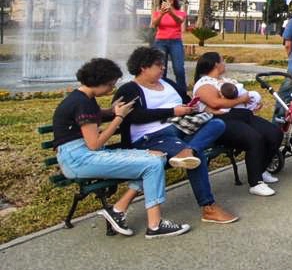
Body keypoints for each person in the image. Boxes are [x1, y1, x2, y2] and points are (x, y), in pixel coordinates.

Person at [53, 58, 190, 239]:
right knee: (153, 163)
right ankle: (155, 226)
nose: (112, 89)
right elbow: (95, 144)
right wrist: (118, 117)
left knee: (156, 156)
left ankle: (118, 210)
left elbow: (94, 115)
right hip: (79, 159)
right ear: (99, 82)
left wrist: (110, 111)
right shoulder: (82, 103)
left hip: (82, 154)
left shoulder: (84, 97)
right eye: (110, 85)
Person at [114, 47, 238, 224]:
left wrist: (191, 108)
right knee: (197, 156)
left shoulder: (167, 83)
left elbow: (187, 100)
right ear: (143, 67)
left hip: (181, 128)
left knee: (217, 124)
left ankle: (188, 150)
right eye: (158, 65)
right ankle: (208, 208)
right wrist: (172, 111)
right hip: (150, 137)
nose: (163, 68)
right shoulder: (129, 89)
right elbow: (133, 116)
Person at [192, 52, 283, 197]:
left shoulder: (224, 79)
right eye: (222, 60)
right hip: (222, 121)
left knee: (275, 133)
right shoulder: (204, 83)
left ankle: (260, 169)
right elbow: (215, 103)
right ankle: (256, 183)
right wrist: (242, 100)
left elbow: (241, 98)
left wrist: (252, 103)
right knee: (254, 138)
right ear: (216, 64)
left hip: (243, 115)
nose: (224, 63)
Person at [150, 0, 187, 94]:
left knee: (179, 69)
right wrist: (161, 14)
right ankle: (162, 92)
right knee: (161, 69)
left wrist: (171, 12)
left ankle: (182, 94)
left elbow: (179, 21)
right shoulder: (157, 13)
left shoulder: (180, 12)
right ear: (162, 1)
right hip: (160, 42)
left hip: (175, 42)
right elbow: (154, 24)